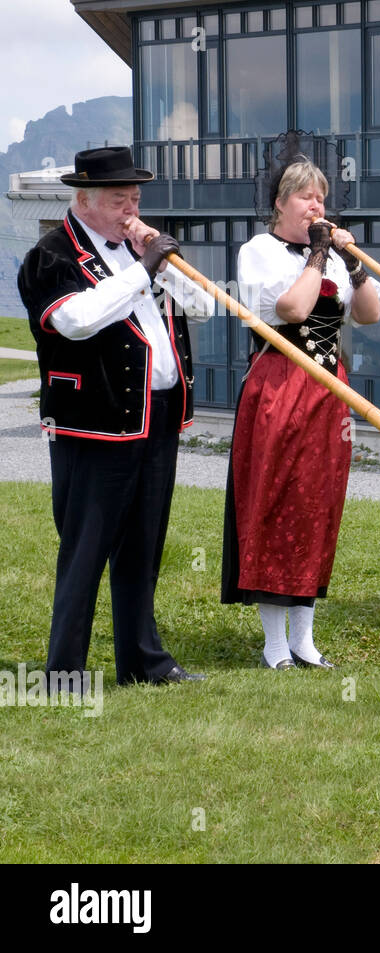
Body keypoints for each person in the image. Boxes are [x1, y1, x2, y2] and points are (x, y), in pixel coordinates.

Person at [17, 146, 214, 687]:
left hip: (157, 416)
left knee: (144, 544)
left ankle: (142, 661)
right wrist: (140, 271)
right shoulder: (51, 254)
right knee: (86, 548)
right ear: (83, 200)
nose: (131, 209)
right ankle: (64, 673)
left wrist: (160, 261)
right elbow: (77, 320)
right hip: (94, 419)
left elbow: (203, 307)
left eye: (135, 198)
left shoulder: (139, 249)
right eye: (118, 199)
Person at [220, 157, 380, 669]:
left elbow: (369, 313)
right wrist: (316, 253)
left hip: (330, 391)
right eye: (306, 197)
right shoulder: (258, 251)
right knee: (276, 499)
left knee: (319, 503)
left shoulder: (332, 255)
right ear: (280, 203)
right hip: (280, 383)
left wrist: (353, 262)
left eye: (322, 197)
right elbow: (291, 309)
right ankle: (273, 643)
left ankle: (304, 637)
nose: (317, 205)